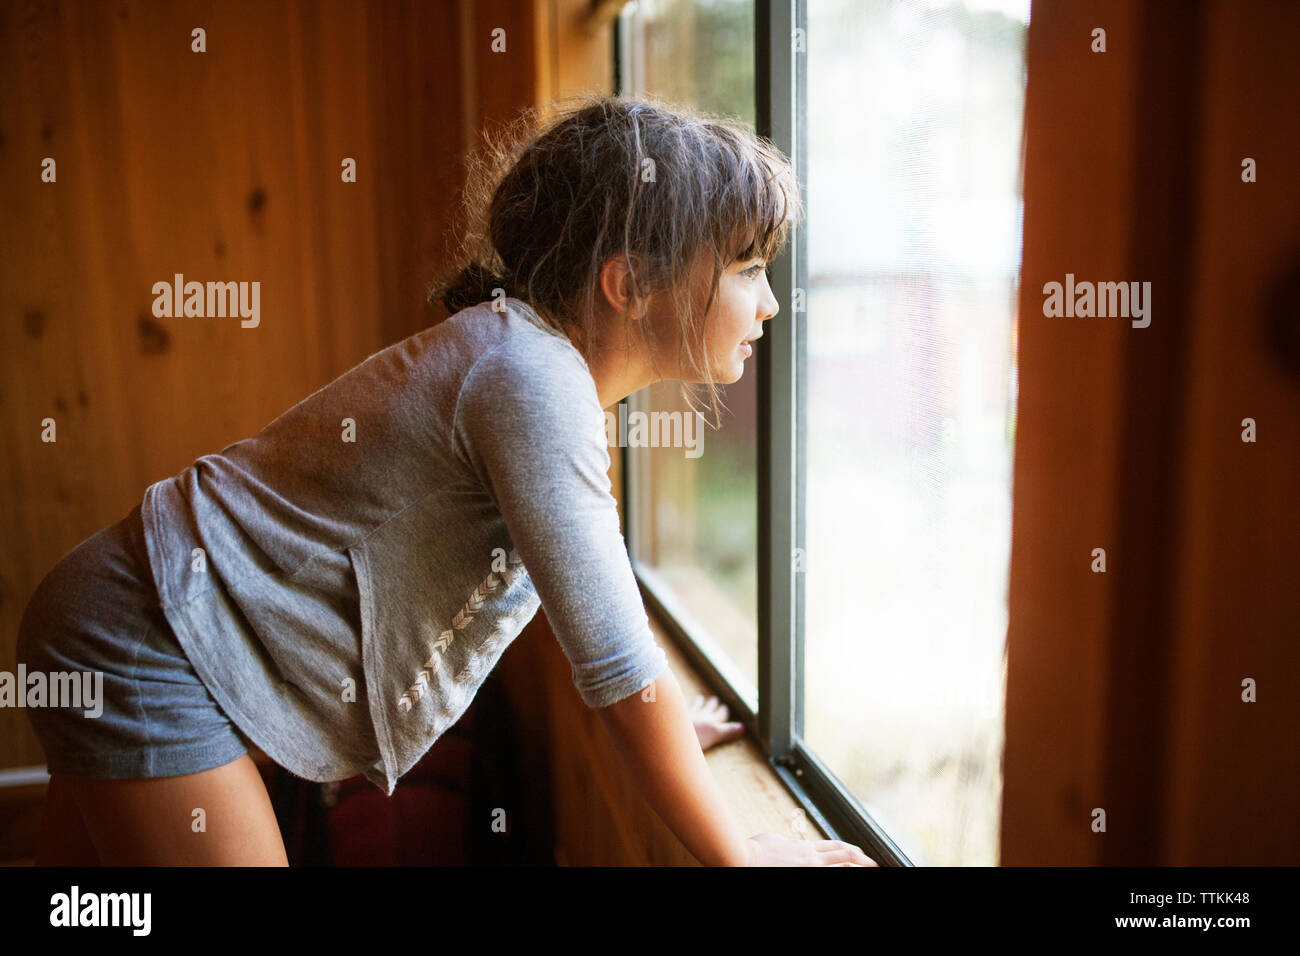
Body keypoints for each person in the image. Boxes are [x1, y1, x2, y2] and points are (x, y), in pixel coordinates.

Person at [15, 94, 876, 868]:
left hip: (127, 618)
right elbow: (619, 666)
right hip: (144, 638)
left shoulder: (535, 371)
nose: (768, 303)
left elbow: (591, 614)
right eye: (747, 268)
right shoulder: (531, 382)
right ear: (629, 284)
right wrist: (740, 856)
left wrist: (669, 738)